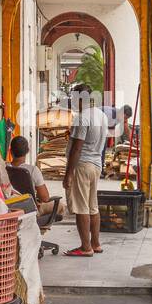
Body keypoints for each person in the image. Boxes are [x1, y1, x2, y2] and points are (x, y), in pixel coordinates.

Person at [63, 83, 108, 256]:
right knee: (92, 207)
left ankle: (85, 247)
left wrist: (68, 174)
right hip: (96, 164)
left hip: (82, 165)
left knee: (81, 208)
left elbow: (76, 149)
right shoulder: (101, 115)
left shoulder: (82, 118)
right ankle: (95, 244)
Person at [8, 134, 64, 218]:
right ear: (27, 151)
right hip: (29, 211)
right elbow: (45, 198)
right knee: (60, 206)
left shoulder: (4, 169)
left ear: (10, 151)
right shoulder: (33, 170)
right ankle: (41, 230)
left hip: (9, 210)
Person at [101, 103, 133, 174]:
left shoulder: (121, 116)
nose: (125, 120)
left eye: (127, 118)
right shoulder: (110, 114)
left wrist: (131, 142)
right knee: (101, 146)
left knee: (103, 146)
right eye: (125, 117)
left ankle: (100, 168)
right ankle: (99, 169)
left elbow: (127, 129)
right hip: (94, 122)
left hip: (102, 127)